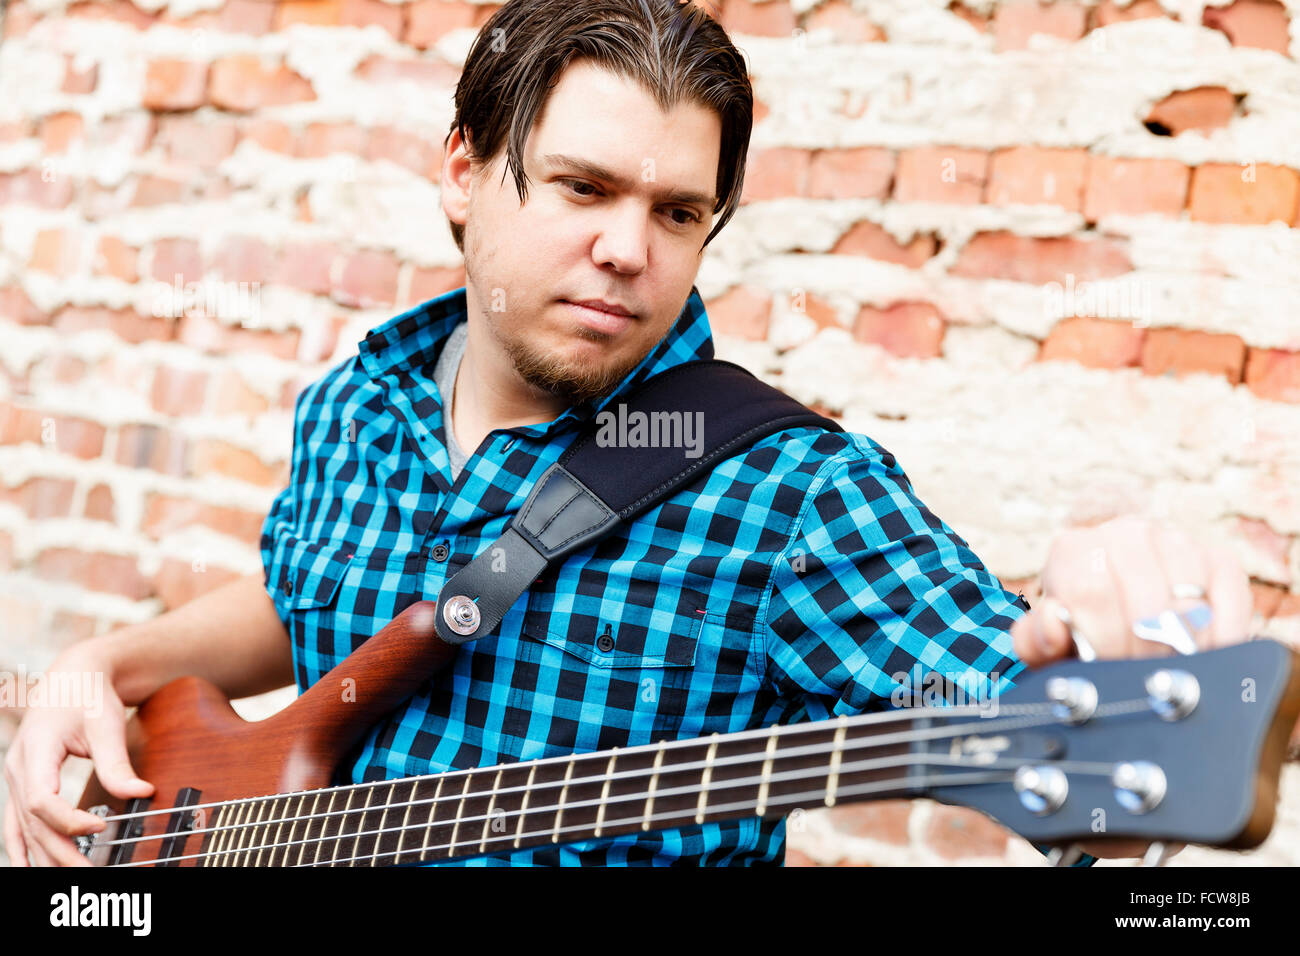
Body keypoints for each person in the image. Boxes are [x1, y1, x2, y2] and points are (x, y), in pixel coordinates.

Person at [3, 0, 1260, 867]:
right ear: (462, 168)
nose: (625, 247)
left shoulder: (790, 496)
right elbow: (308, 592)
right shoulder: (361, 399)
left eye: (676, 210)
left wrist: (1095, 643)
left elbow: (998, 684)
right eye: (583, 187)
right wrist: (101, 663)